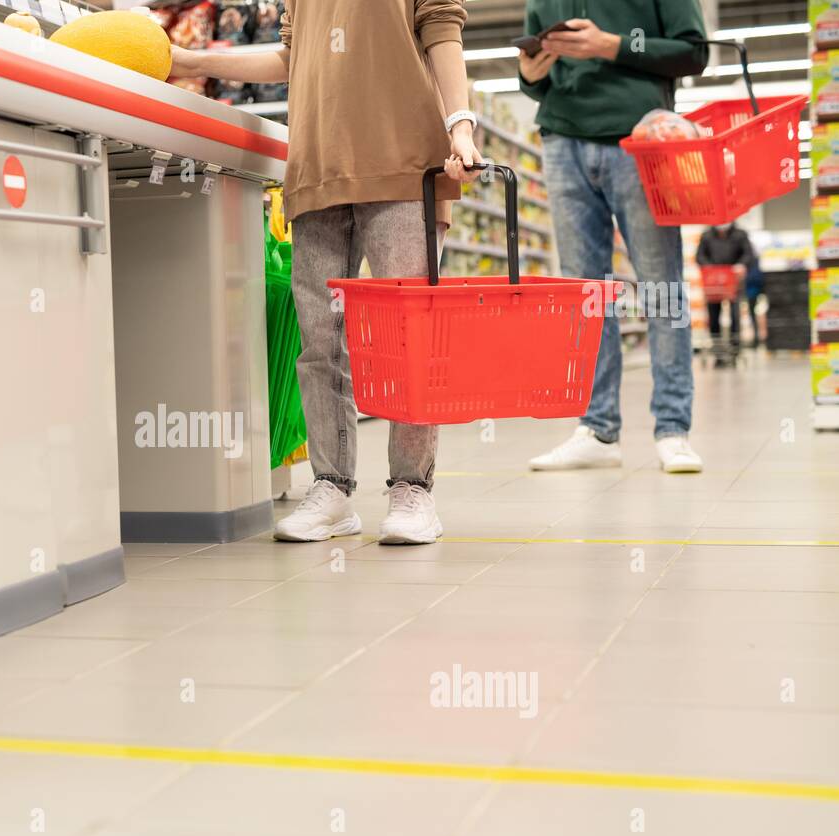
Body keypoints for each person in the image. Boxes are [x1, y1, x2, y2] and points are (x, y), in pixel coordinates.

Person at [170, 0, 481, 544]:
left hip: (403, 165)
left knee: (406, 337)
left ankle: (413, 489)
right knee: (319, 344)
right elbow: (291, 57)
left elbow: (442, 30)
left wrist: (460, 125)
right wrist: (189, 61)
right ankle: (332, 488)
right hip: (316, 167)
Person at [521, 2, 709, 475]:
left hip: (640, 137)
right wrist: (529, 74)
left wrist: (612, 46)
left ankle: (673, 429)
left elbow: (694, 53)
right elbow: (536, 76)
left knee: (661, 287)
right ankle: (598, 428)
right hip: (563, 137)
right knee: (587, 295)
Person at [695, 222, 757, 362]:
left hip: (734, 282)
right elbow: (699, 256)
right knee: (713, 317)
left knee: (735, 317)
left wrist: (741, 265)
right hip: (713, 283)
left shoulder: (740, 235)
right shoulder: (706, 236)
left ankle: (735, 350)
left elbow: (748, 254)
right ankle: (718, 353)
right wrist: (708, 266)